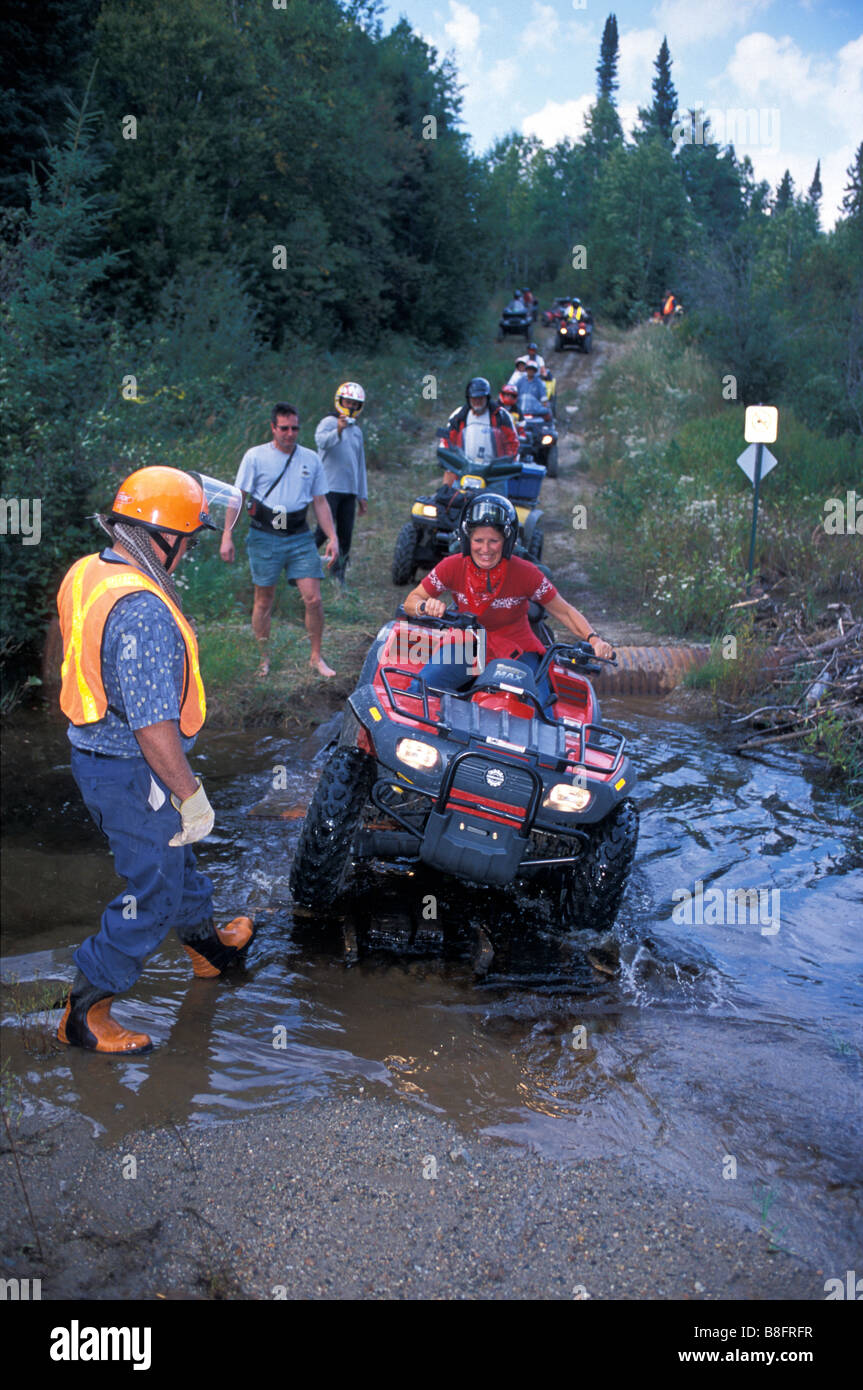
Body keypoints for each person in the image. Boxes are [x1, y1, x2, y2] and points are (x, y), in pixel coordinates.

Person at [55, 467, 254, 1054]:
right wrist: (190, 793)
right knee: (154, 890)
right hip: (132, 769)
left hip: (98, 752)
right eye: (187, 535)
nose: (190, 546)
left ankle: (208, 950)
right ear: (159, 534)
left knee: (176, 862)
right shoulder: (142, 609)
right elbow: (153, 729)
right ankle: (85, 1011)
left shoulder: (93, 569)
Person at [403, 493, 614, 698]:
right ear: (467, 540)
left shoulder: (526, 572)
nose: (485, 549)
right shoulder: (451, 566)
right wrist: (425, 606)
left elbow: (565, 611)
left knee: (537, 704)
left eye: (494, 541)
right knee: (420, 689)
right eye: (478, 540)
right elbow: (411, 601)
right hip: (466, 642)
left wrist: (594, 640)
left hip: (517, 645)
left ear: (507, 541)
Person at [221, 402, 338, 678]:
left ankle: (316, 657)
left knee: (313, 599)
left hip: (299, 536)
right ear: (273, 428)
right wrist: (227, 534)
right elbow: (238, 497)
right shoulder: (255, 457)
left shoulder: (311, 459)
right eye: (283, 428)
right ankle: (263, 658)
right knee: (264, 600)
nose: (289, 433)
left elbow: (320, 501)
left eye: (294, 428)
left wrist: (332, 537)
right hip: (265, 535)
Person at [312, 381, 368, 588]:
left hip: (349, 491)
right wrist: (337, 430)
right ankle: (301, 565)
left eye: (355, 403)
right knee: (322, 532)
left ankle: (338, 576)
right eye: (348, 402)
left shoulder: (357, 431)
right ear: (340, 401)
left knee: (345, 535)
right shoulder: (328, 422)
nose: (351, 406)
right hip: (329, 488)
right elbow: (321, 442)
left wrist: (363, 495)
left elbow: (360, 464)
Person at [440, 377, 519, 478]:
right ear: (468, 398)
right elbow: (447, 439)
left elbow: (512, 442)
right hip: (464, 470)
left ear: (487, 397)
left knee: (499, 493)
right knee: (449, 492)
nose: (477, 401)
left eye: (481, 398)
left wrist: (507, 463)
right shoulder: (459, 415)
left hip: (494, 474)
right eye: (474, 398)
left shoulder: (501, 415)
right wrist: (449, 460)